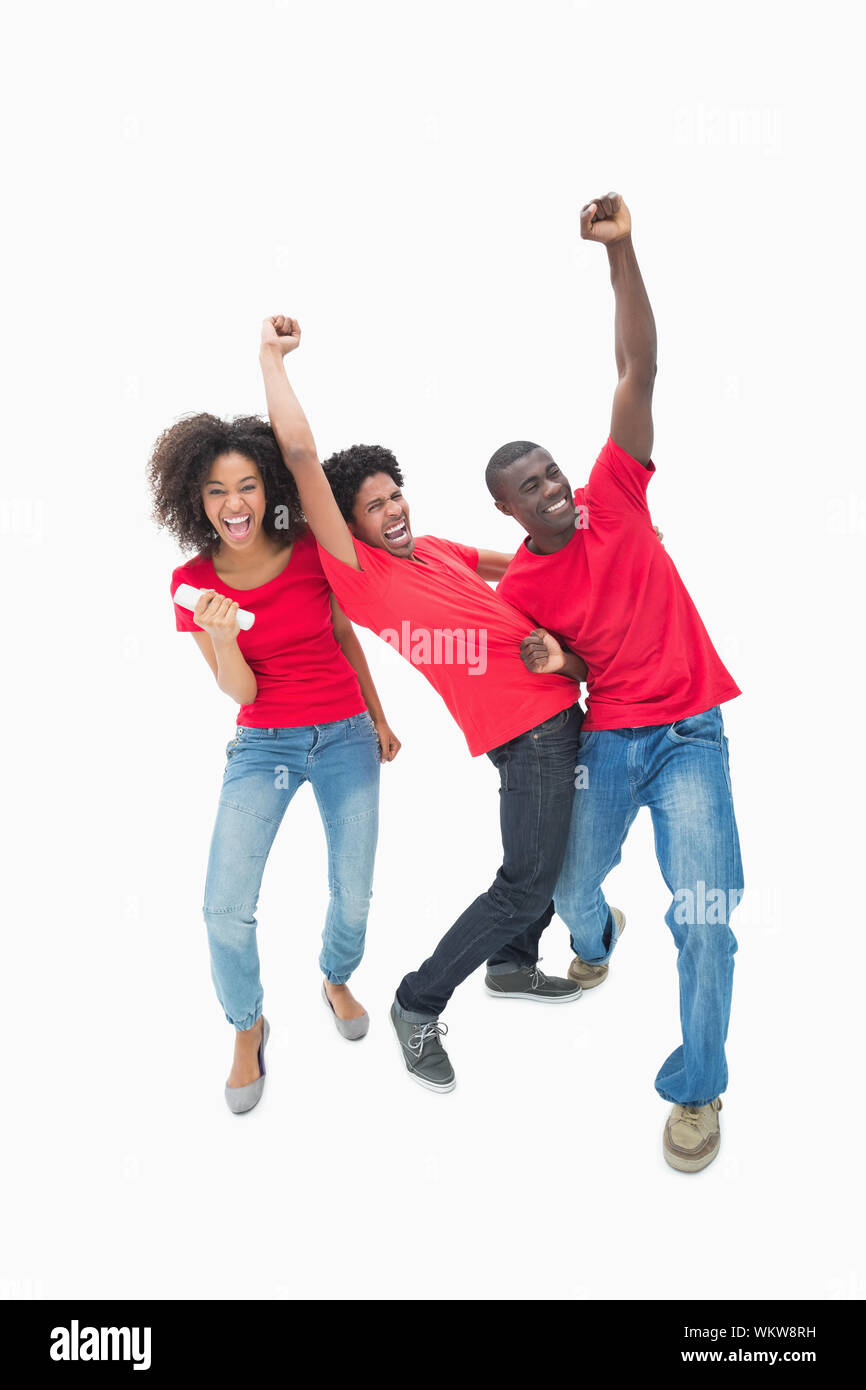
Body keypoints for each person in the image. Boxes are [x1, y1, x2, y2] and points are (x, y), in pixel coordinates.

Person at [258, 316, 586, 1095]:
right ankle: (418, 1001)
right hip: (525, 731)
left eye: (395, 493)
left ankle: (511, 964)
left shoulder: (432, 547)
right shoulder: (361, 574)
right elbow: (301, 457)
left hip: (561, 707)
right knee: (526, 880)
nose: (394, 510)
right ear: (350, 526)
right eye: (374, 506)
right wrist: (271, 359)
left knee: (556, 859)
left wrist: (593, 545)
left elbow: (513, 562)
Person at [489, 193, 744, 1173]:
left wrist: (621, 252)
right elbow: (559, 661)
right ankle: (594, 938)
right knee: (564, 884)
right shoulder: (522, 583)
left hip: (687, 736)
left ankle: (697, 1086)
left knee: (708, 914)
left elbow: (637, 364)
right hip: (609, 740)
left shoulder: (614, 491)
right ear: (510, 510)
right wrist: (562, 662)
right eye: (534, 487)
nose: (557, 488)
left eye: (555, 472)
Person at [148, 412, 400, 1114]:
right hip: (264, 742)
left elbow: (346, 633)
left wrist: (378, 716)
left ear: (269, 489)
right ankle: (246, 1025)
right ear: (194, 501)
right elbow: (240, 691)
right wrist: (223, 637)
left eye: (249, 485)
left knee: (353, 891)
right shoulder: (192, 582)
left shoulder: (312, 550)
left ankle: (335, 975)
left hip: (347, 732)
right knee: (223, 909)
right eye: (216, 491)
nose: (234, 504)